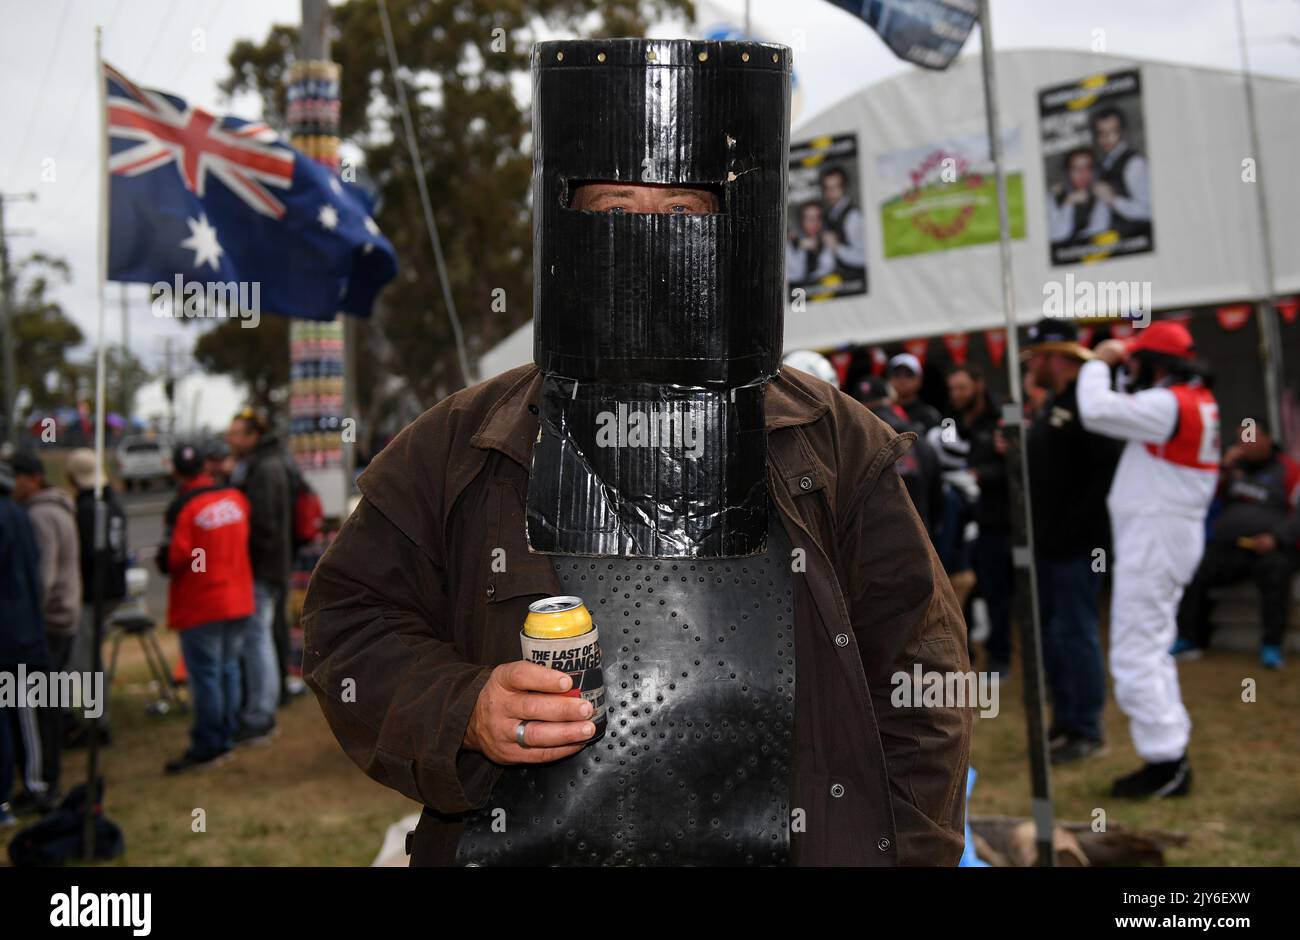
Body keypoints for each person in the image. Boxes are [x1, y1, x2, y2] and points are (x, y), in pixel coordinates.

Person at [303, 38, 972, 867]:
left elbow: (923, 689)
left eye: (683, 210)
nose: (646, 238)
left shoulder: (835, 443)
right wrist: (460, 707)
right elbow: (347, 624)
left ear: (734, 221)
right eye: (615, 208)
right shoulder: (458, 444)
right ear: (562, 213)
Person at [1078, 321, 1218, 798]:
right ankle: (1168, 755)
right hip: (1166, 533)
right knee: (1150, 648)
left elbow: (1095, 410)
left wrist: (1099, 362)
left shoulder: (1168, 404)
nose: (1128, 365)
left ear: (1157, 364)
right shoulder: (1189, 401)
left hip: (1158, 536)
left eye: (1136, 359)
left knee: (1136, 650)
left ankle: (1166, 762)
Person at [1022, 319, 1121, 763]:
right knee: (1054, 634)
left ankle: (1087, 727)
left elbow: (1104, 475)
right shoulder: (1056, 404)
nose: (1031, 366)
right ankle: (1065, 720)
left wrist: (1081, 529)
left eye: (1036, 357)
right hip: (1049, 542)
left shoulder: (1089, 405)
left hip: (1078, 543)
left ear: (1055, 356)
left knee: (1077, 631)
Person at [158, 444, 254, 772]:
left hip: (203, 603)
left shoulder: (184, 507)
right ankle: (226, 735)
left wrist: (163, 556)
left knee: (208, 675)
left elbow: (177, 556)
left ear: (176, 471)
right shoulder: (235, 499)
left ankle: (210, 744)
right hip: (238, 597)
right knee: (228, 669)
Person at [1176, 423, 1299, 668]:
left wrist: (1276, 538)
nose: (1246, 444)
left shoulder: (1288, 469)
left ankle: (1271, 646)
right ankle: (1189, 638)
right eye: (1242, 439)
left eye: (1252, 437)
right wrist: (1222, 467)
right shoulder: (1232, 469)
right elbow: (1201, 496)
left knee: (1276, 574)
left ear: (1267, 438)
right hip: (1231, 548)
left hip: (1272, 547)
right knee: (1192, 567)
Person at [8, 450, 78, 812]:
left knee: (34, 705)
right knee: (48, 702)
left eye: (17, 476)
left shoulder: (39, 516)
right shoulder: (59, 508)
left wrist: (27, 616)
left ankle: (42, 782)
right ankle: (49, 773)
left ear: (32, 478)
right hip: (65, 616)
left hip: (47, 621)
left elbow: (43, 578)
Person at [225, 408, 292, 745]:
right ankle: (257, 709)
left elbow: (264, 524)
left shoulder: (265, 468)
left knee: (257, 636)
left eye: (237, 433)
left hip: (261, 569)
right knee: (255, 636)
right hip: (262, 567)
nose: (230, 439)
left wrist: (243, 555)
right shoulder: (260, 464)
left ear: (253, 436)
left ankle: (261, 714)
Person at [946, 366, 1012, 676]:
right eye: (953, 389)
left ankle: (1000, 658)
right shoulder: (952, 424)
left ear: (979, 384)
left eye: (962, 387)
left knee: (997, 593)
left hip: (996, 523)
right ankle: (967, 656)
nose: (957, 394)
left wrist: (978, 476)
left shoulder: (1000, 420)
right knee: (964, 595)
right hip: (961, 526)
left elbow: (1014, 468)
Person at [65, 448, 128, 747]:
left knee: (83, 661)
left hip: (94, 592)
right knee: (90, 659)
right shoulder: (112, 501)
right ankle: (93, 717)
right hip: (112, 588)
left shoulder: (89, 508)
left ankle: (95, 722)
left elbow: (89, 554)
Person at [0, 461, 49, 827]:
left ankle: (35, 783)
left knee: (22, 710)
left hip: (14, 632)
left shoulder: (11, 515)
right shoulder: (18, 513)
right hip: (22, 625)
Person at [856, 374, 944, 539]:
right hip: (920, 540)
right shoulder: (914, 435)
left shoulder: (855, 440)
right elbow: (937, 495)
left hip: (876, 544)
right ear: (890, 401)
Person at [1090, 106, 1152, 243]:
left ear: (1123, 132)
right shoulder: (1103, 164)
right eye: (1101, 133)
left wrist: (1113, 200)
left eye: (1112, 132)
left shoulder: (1135, 164)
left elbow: (1148, 212)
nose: (1106, 138)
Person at [1047, 147, 1110, 246]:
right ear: (1067, 172)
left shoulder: (1099, 196)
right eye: (1076, 169)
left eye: (1088, 168)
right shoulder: (1052, 197)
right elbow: (1058, 235)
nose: (1083, 174)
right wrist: (1069, 203)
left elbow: (1100, 230)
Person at [818, 165, 867, 285]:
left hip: (855, 283)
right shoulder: (829, 214)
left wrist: (837, 248)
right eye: (827, 188)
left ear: (844, 187)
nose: (830, 192)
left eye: (835, 187)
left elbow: (864, 258)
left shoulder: (853, 216)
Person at [887, 353, 943, 434]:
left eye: (908, 374)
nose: (902, 379)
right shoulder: (881, 414)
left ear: (919, 380)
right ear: (889, 379)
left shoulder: (929, 415)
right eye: (897, 374)